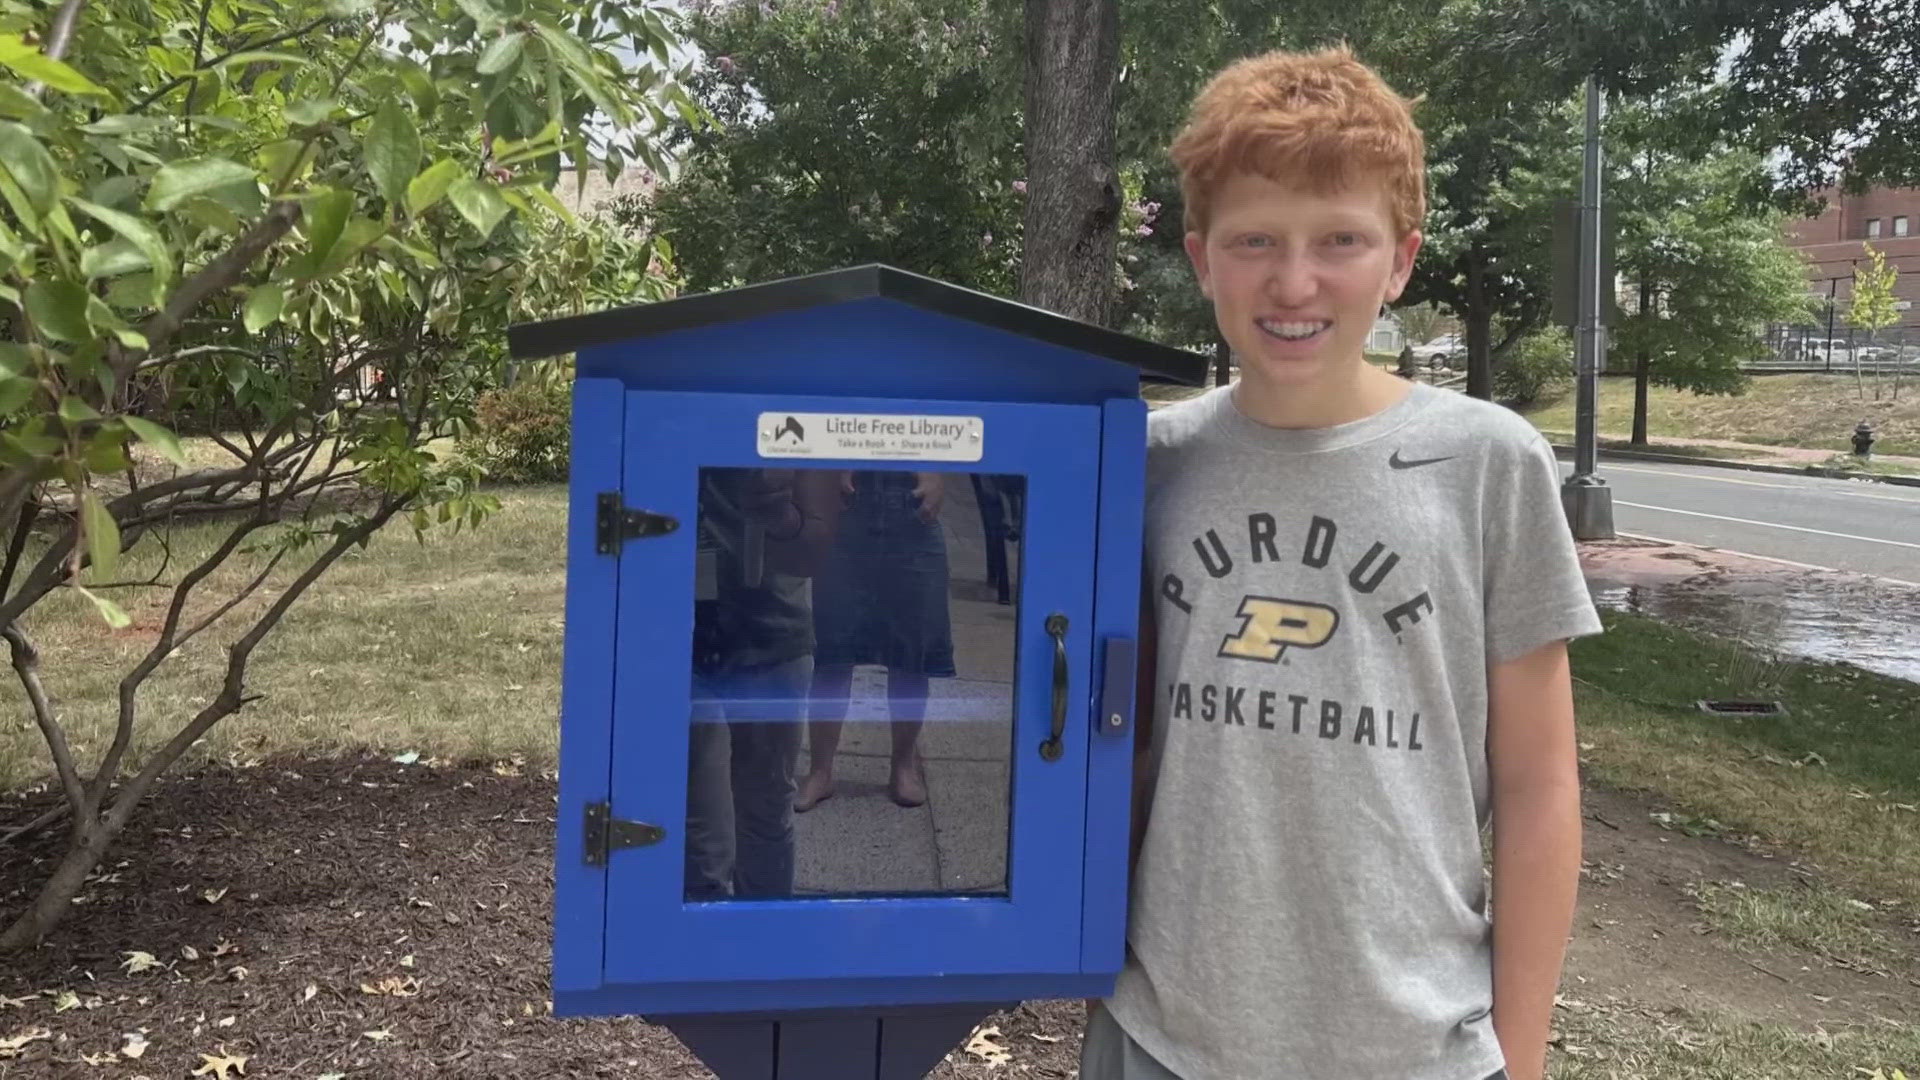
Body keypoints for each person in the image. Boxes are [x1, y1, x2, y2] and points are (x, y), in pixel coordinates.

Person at [1080, 46, 1602, 1080]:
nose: (1294, 281)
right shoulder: (1145, 463)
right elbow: (1111, 745)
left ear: (1400, 260)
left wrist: (1524, 1055)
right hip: (1163, 1036)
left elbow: (1539, 786)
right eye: (1256, 240)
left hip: (1412, 1045)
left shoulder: (1490, 463)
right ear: (1202, 258)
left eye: (1340, 240)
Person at [684, 466, 844, 900]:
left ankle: (763, 934)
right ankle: (703, 933)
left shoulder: (796, 428)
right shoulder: (678, 424)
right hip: (679, 635)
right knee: (696, 820)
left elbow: (815, 554)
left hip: (772, 635)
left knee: (765, 809)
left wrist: (780, 517)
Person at [794, 470, 956, 811]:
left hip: (913, 511)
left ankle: (903, 765)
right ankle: (820, 770)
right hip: (847, 511)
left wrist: (938, 472)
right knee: (833, 650)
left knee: (913, 653)